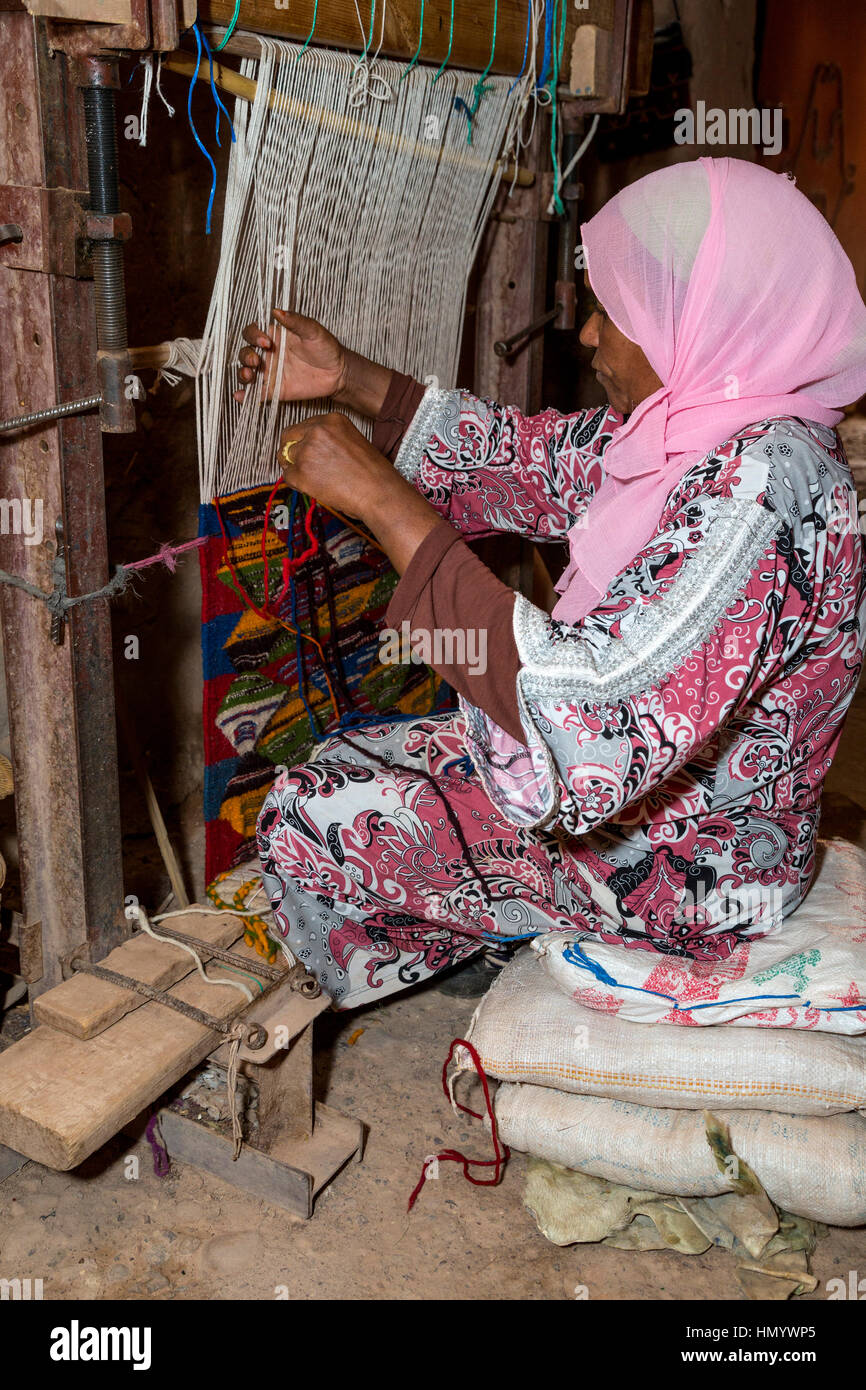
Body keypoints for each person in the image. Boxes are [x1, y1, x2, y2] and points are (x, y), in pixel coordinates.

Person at [235, 156, 866, 1010]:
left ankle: (477, 961)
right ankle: (490, 932)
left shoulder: (760, 490)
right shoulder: (708, 429)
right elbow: (529, 464)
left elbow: (591, 732)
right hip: (696, 823)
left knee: (309, 811)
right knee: (361, 757)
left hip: (689, 875)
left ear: (692, 318)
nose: (590, 336)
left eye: (616, 310)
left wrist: (384, 502)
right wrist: (346, 377)